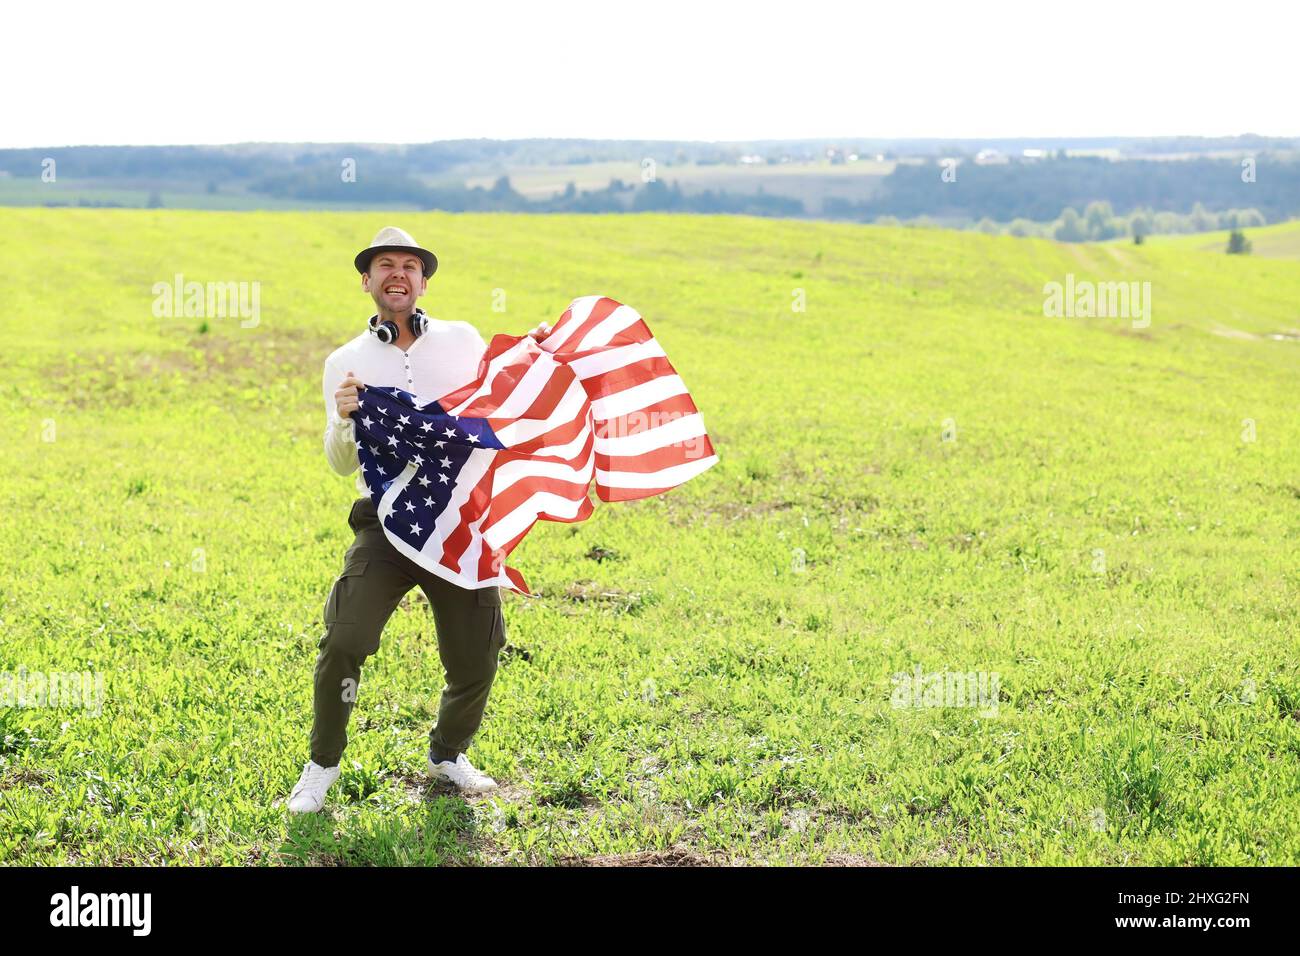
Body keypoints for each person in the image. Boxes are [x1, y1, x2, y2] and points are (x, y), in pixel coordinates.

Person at [287, 226, 550, 813]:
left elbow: (494, 411)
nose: (397, 274)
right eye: (385, 265)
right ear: (368, 282)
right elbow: (339, 464)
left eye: (409, 265)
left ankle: (447, 753)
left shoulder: (462, 341)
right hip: (385, 522)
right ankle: (321, 766)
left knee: (478, 653)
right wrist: (343, 419)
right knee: (345, 638)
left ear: (423, 281)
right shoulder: (345, 362)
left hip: (459, 520)